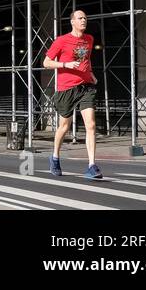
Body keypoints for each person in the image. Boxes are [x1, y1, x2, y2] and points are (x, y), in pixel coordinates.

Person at [44, 9, 102, 179]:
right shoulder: (61, 41)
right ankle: (55, 157)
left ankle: (92, 165)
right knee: (64, 127)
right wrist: (66, 65)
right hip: (66, 88)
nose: (83, 20)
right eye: (80, 18)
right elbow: (46, 62)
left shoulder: (89, 39)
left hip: (85, 87)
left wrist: (91, 74)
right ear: (72, 22)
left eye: (85, 17)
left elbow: (87, 59)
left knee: (90, 125)